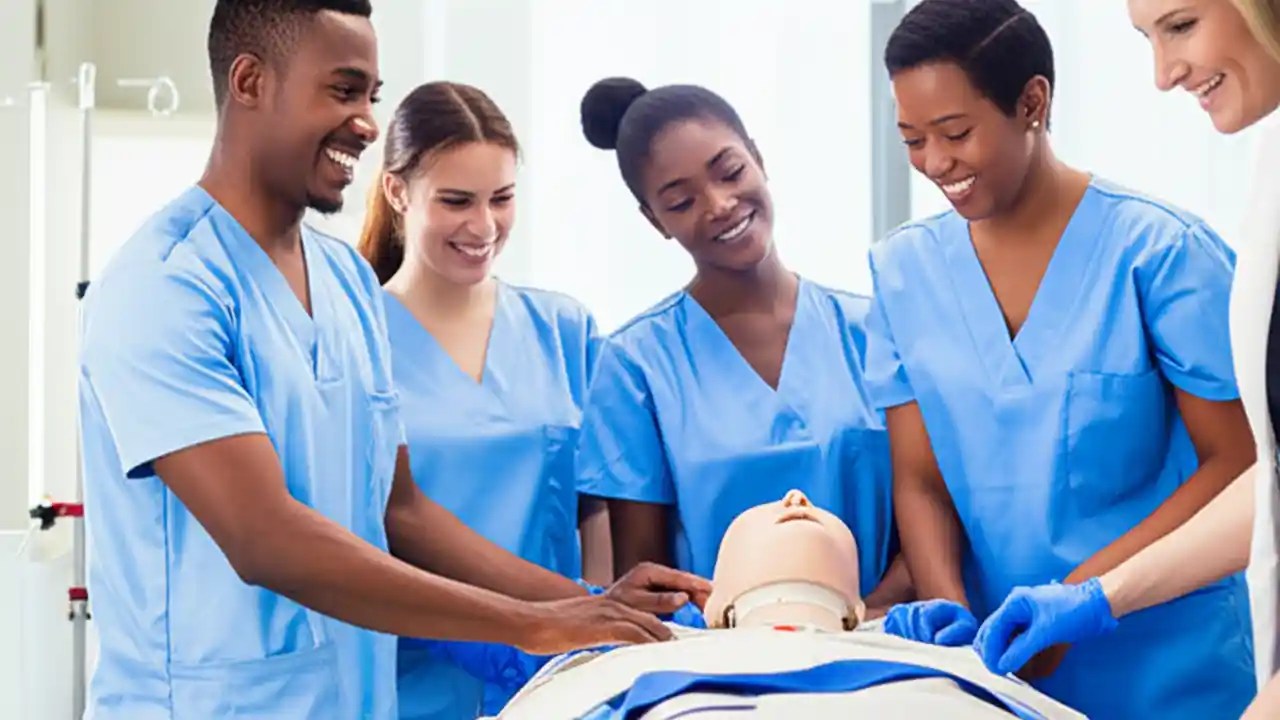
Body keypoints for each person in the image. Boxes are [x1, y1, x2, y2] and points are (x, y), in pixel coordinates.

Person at [77, 3, 709, 718]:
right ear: (250, 82)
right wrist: (533, 624)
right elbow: (264, 539)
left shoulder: (344, 280)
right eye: (343, 91)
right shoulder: (166, 285)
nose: (368, 123)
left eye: (371, 97)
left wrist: (584, 603)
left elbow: (399, 509)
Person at [867, 1, 1257, 718]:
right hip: (996, 674)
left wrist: (1085, 598)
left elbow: (1238, 463)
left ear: (1032, 102)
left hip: (1169, 665)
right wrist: (952, 614)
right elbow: (919, 477)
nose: (936, 162)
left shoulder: (1161, 255)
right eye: (913, 140)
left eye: (956, 132)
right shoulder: (902, 273)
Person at [972, 1, 1280, 717]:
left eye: (1180, 26)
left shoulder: (1160, 248)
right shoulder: (1270, 168)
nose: (1163, 75)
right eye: (1147, 39)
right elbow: (1275, 477)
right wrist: (1099, 597)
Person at [572, 77, 911, 617]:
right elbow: (652, 584)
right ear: (654, 220)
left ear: (758, 157)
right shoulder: (636, 366)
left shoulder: (874, 332)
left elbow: (926, 525)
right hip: (721, 671)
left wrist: (853, 623)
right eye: (681, 201)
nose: (720, 205)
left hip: (878, 645)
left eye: (731, 172)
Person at [355, 80, 613, 720]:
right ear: (396, 191)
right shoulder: (355, 338)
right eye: (456, 201)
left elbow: (596, 504)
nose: (484, 226)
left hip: (558, 676)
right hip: (409, 680)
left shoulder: (563, 329)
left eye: (501, 198)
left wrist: (601, 627)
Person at [430, 491, 1084, 719]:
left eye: (811, 512)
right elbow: (448, 616)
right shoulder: (633, 637)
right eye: (771, 510)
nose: (796, 496)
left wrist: (931, 633)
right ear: (711, 604)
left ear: (858, 607)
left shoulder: (913, 637)